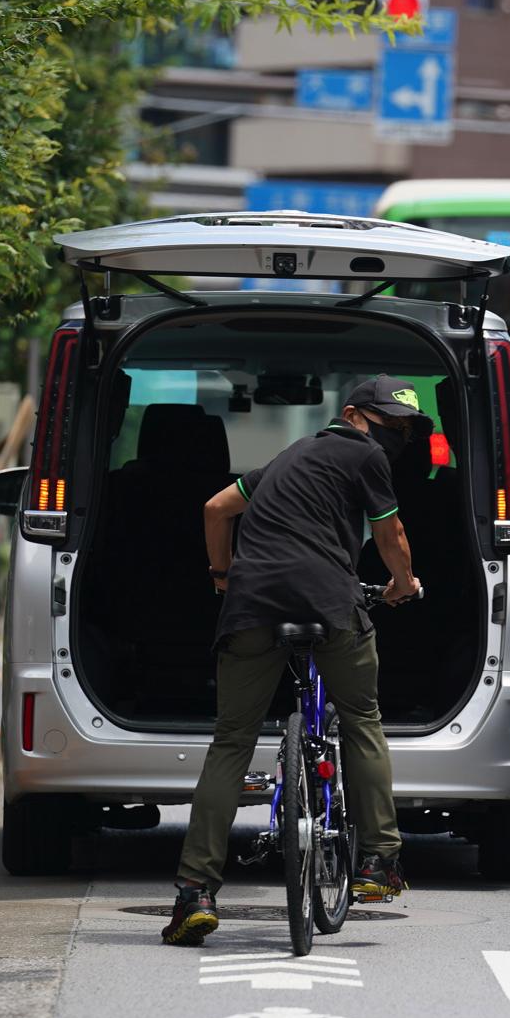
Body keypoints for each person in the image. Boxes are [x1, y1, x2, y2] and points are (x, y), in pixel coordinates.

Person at [162, 374, 428, 947]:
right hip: (331, 605)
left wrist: (222, 577)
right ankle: (378, 860)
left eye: (405, 430)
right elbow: (392, 534)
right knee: (361, 720)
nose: (395, 438)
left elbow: (215, 508)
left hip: (251, 606)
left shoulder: (288, 458)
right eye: (390, 426)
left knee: (232, 740)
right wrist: (403, 584)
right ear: (355, 415)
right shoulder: (364, 457)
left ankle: (195, 894)